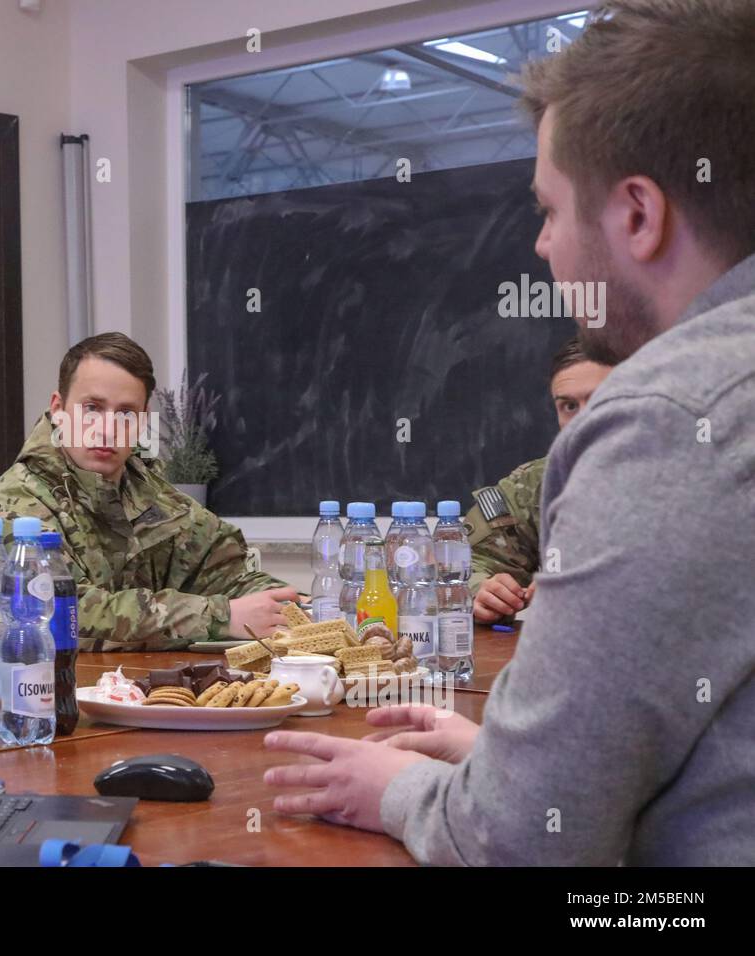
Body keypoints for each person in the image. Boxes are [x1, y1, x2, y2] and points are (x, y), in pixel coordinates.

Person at [263, 0, 755, 864]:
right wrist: (499, 764)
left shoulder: (667, 422)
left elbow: (521, 842)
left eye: (550, 210)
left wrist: (406, 792)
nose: (540, 247)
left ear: (638, 215)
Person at [0, 332, 298, 651]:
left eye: (126, 413)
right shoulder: (16, 501)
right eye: (92, 408)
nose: (108, 428)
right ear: (58, 408)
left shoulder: (145, 489)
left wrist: (291, 605)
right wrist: (219, 617)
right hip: (40, 691)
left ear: (143, 421)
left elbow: (223, 571)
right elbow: (68, 611)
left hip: (140, 691)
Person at [467, 337, 612, 622]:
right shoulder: (534, 485)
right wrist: (481, 591)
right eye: (570, 406)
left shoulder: (689, 476)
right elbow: (466, 563)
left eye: (601, 400)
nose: (583, 421)